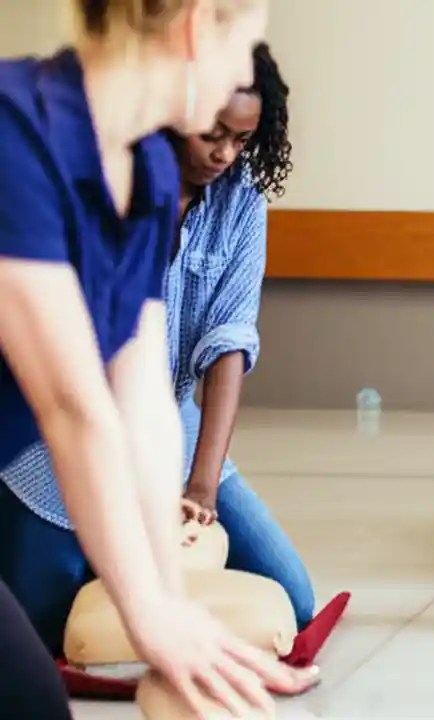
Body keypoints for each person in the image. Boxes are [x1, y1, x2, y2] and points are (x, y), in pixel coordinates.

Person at [0, 1, 316, 716]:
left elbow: (140, 400)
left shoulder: (144, 166)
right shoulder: (14, 135)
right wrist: (154, 620)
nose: (247, 71)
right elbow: (76, 410)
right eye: (246, 44)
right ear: (195, 27)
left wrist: (172, 613)